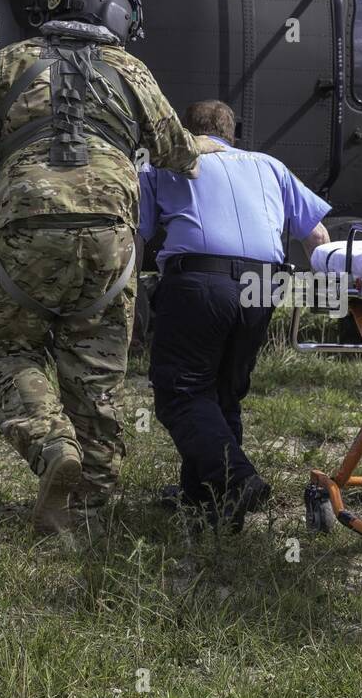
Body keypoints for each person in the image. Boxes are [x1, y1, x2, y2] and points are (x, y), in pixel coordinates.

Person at [0, 0, 221, 539]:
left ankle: (52, 444)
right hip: (111, 237)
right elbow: (177, 152)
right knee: (97, 372)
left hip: (26, 230)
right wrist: (201, 145)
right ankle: (89, 509)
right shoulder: (132, 71)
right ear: (112, 18)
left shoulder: (8, 63)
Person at [139, 99, 331, 533]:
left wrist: (125, 293)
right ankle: (207, 497)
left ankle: (236, 479)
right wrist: (333, 292)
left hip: (201, 280)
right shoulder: (270, 165)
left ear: (186, 130)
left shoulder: (165, 164)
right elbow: (317, 235)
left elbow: (138, 232)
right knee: (224, 390)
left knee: (181, 391)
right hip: (264, 283)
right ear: (233, 134)